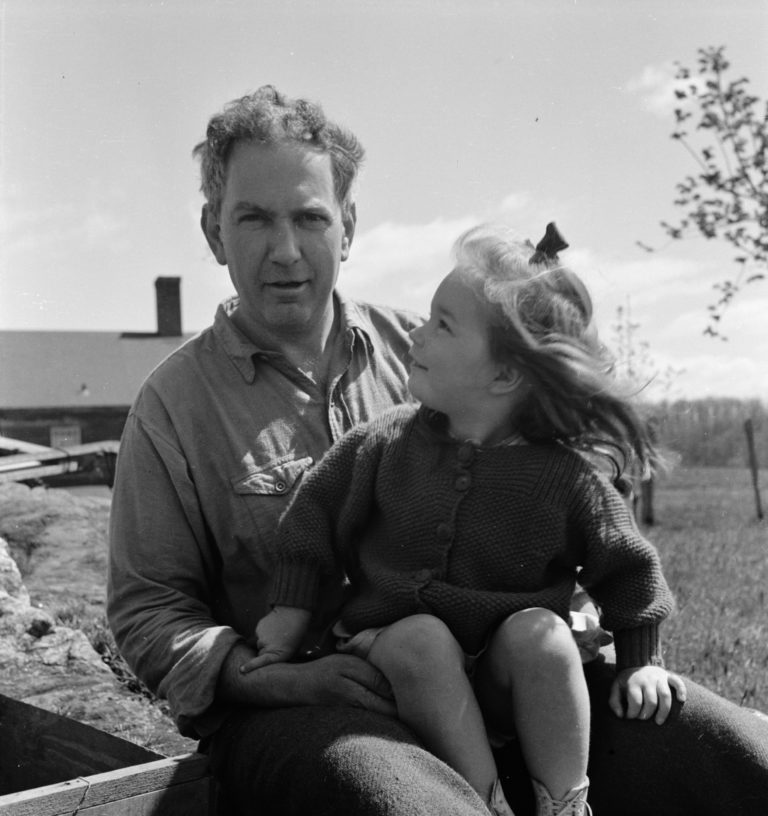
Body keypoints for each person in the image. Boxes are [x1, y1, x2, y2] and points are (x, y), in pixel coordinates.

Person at [107, 86, 768, 816]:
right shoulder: (172, 407)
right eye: (254, 219)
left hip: (508, 679)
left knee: (732, 747)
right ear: (212, 231)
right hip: (307, 710)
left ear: (349, 227)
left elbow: (560, 490)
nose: (286, 249)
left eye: (310, 217)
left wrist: (565, 628)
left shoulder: (434, 344)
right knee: (412, 803)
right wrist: (271, 677)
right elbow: (149, 613)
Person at [243, 222, 685, 816]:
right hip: (397, 663)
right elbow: (312, 517)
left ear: (504, 375)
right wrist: (289, 613)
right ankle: (484, 803)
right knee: (423, 639)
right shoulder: (386, 442)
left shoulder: (565, 478)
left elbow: (628, 567)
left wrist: (640, 662)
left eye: (442, 324)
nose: (417, 334)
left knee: (545, 636)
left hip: (502, 677)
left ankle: (564, 803)